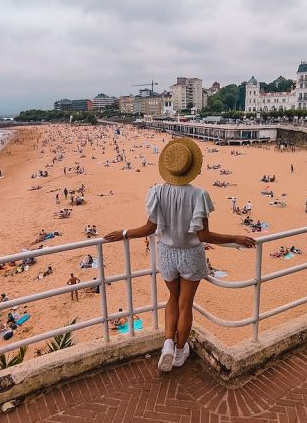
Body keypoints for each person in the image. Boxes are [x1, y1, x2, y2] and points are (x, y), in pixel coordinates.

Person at [104, 138, 255, 373]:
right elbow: (203, 235)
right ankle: (180, 349)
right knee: (186, 305)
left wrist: (123, 233)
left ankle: (167, 344)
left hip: (166, 254)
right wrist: (235, 238)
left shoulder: (156, 192)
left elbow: (148, 229)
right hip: (190, 255)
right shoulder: (199, 195)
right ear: (191, 168)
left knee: (172, 300)